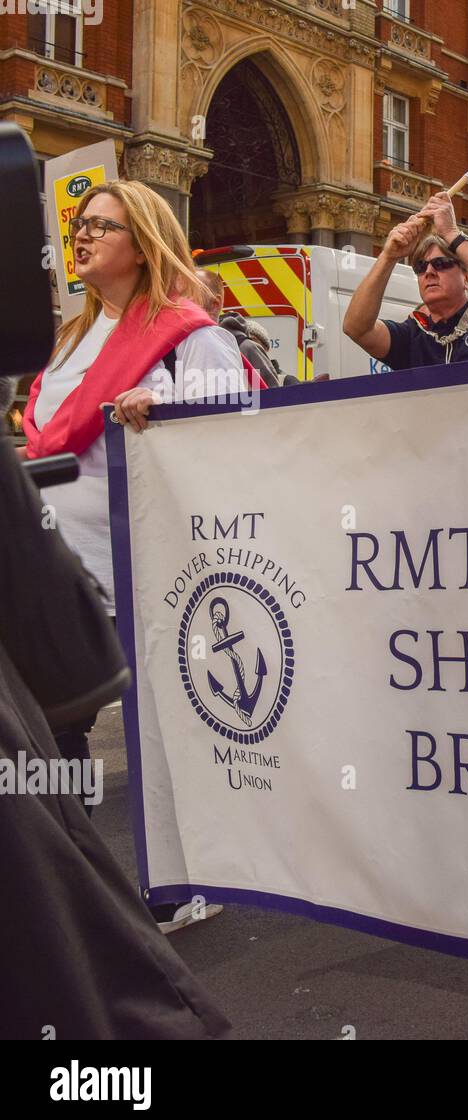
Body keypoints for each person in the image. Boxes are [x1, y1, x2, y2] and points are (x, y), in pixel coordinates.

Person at [21, 179, 254, 930]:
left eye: (102, 226)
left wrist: (171, 416)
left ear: (143, 242)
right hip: (53, 572)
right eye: (79, 224)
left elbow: (235, 437)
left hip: (148, 574)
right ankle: (61, 889)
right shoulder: (65, 340)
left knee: (165, 736)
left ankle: (191, 879)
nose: (82, 236)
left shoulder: (192, 336)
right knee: (47, 738)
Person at [344, 192, 468, 369]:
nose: (429, 271)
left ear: (467, 276)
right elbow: (356, 329)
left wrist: (451, 233)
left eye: (441, 263)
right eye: (420, 266)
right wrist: (388, 256)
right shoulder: (411, 336)